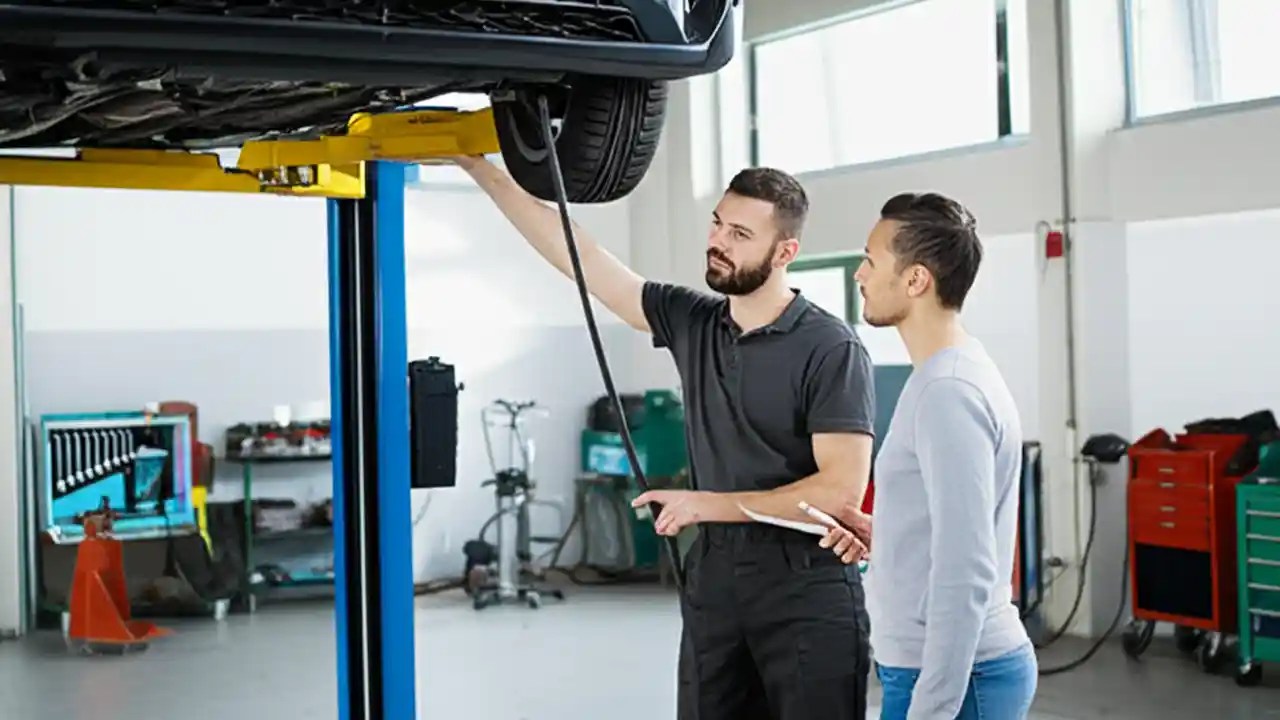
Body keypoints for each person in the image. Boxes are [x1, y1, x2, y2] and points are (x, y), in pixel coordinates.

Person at [453, 155, 877, 720]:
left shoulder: (830, 348)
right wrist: (481, 169)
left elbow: (838, 493)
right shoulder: (692, 321)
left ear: (784, 253)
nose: (718, 241)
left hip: (805, 587)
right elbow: (583, 257)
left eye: (741, 233)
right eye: (718, 224)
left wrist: (704, 504)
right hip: (716, 583)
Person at [817, 193, 1037, 720]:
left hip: (959, 682)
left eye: (870, 260)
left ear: (916, 280)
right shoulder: (945, 376)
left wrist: (932, 709)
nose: (859, 275)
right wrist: (891, 536)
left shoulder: (949, 392)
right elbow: (951, 530)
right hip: (934, 672)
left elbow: (967, 569)